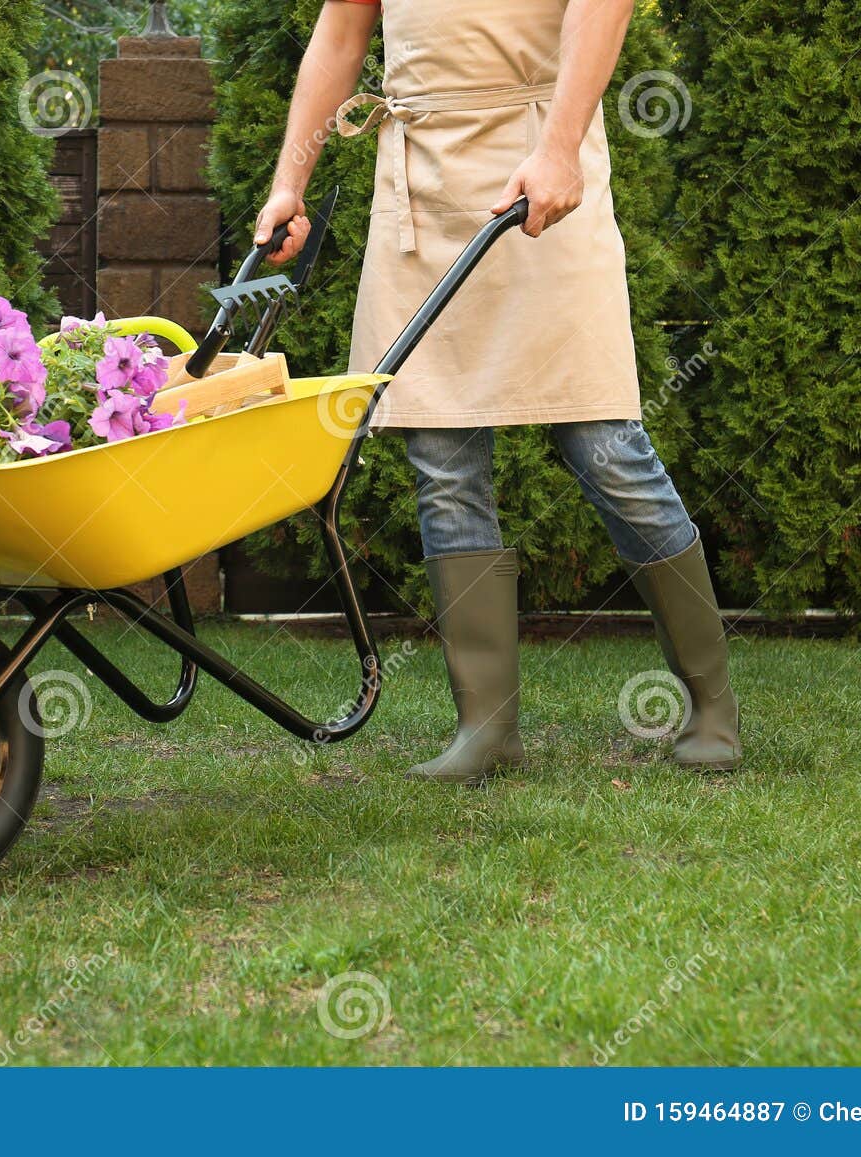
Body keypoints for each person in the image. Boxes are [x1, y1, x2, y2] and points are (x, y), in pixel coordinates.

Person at [254, 0, 740, 782]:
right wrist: (290, 184)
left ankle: (713, 703)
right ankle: (485, 726)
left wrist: (559, 149)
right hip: (420, 177)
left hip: (545, 168)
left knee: (606, 448)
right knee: (442, 457)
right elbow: (343, 31)